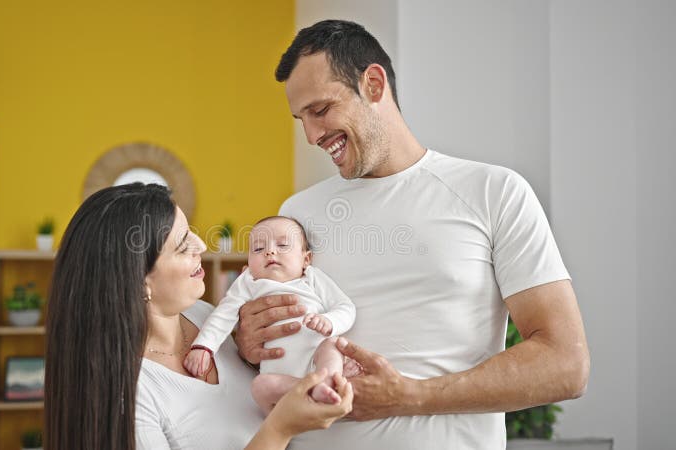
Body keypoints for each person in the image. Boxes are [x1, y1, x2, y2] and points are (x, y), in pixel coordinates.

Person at [234, 20, 590, 449]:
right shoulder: (295, 217)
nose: (311, 135)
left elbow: (565, 364)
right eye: (301, 119)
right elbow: (270, 355)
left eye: (320, 110)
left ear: (373, 83)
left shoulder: (495, 193)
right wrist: (246, 342)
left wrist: (408, 396)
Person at [44, 183, 353, 450]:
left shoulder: (205, 314)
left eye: (190, 231)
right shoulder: (129, 397)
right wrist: (282, 427)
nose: (201, 246)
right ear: (139, 282)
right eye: (182, 246)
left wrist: (251, 354)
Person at [184, 216, 356, 410]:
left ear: (306, 259)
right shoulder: (249, 282)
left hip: (316, 360)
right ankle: (312, 388)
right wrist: (204, 346)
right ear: (248, 262)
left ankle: (328, 383)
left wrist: (329, 321)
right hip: (279, 379)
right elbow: (223, 315)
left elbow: (345, 307)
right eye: (258, 249)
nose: (270, 251)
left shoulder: (313, 278)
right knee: (259, 385)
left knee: (333, 345)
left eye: (283, 245)